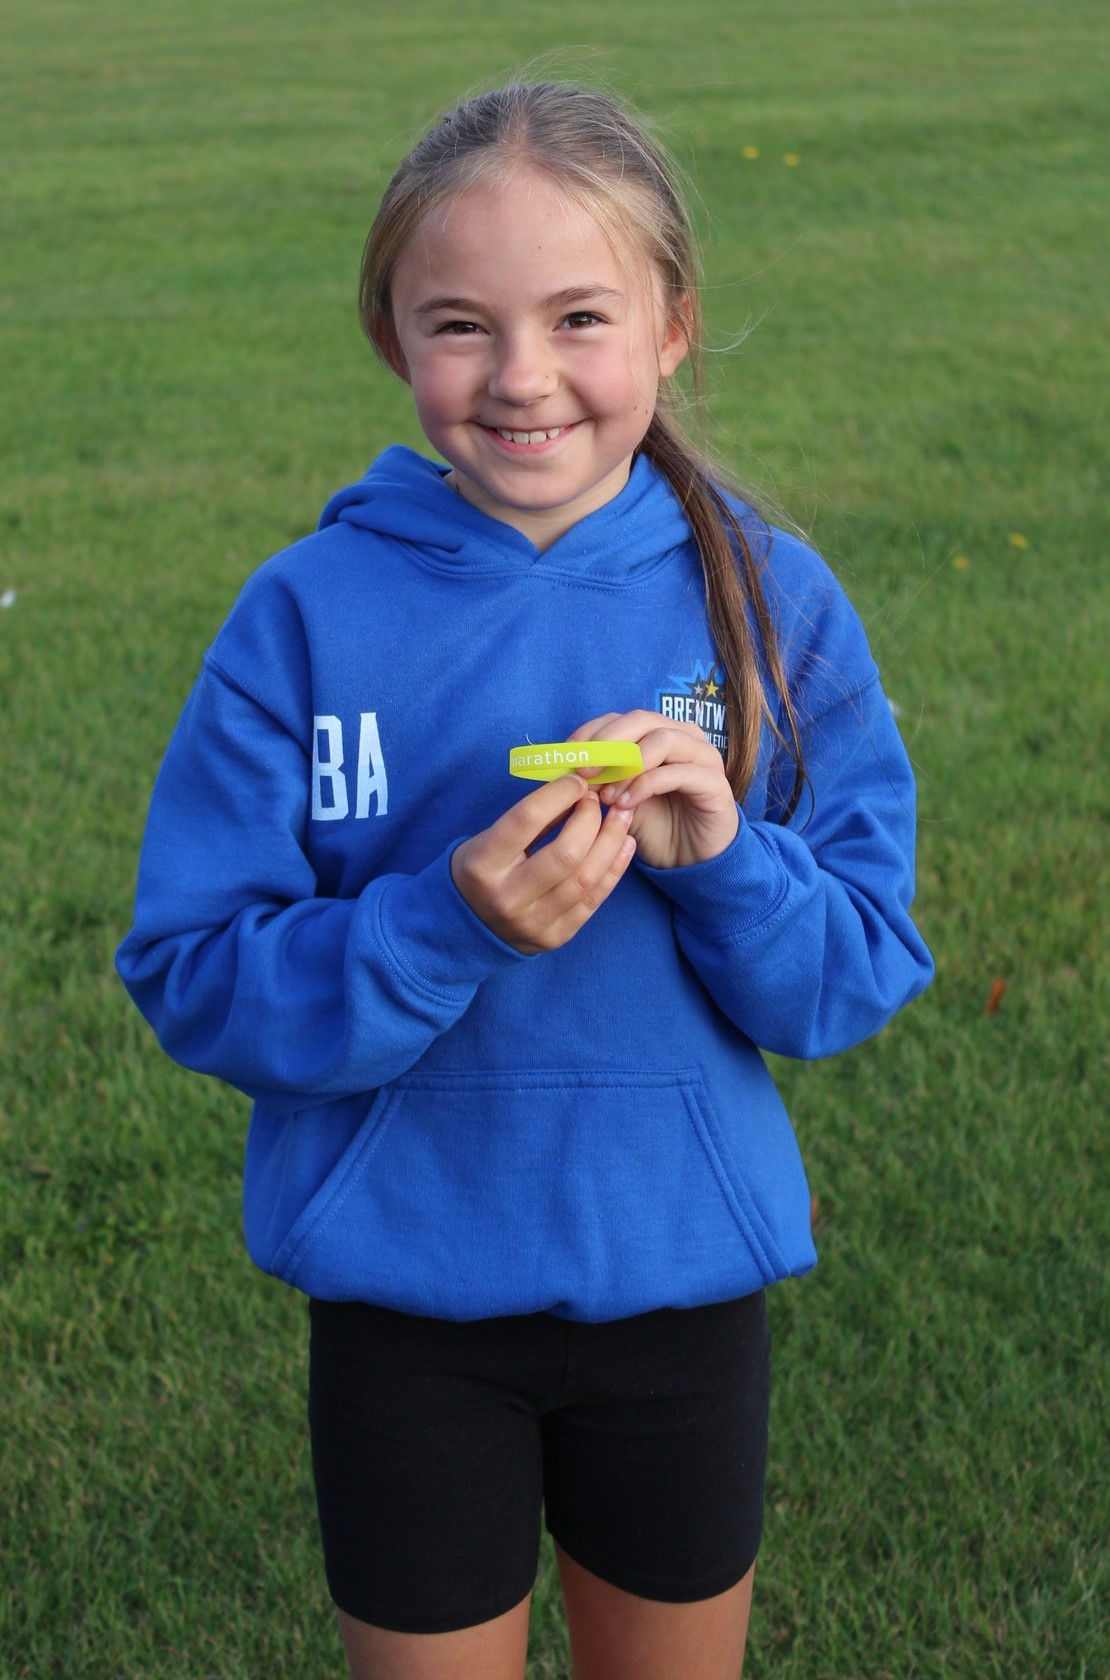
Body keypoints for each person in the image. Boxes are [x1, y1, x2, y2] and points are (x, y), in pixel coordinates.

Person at [117, 80, 933, 1680]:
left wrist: (725, 868)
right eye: (459, 325)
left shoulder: (769, 599)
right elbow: (192, 974)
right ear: (390, 337)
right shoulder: (302, 613)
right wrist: (443, 928)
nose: (520, 377)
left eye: (578, 318)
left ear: (671, 325)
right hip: (404, 1304)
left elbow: (852, 970)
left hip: (680, 1285)